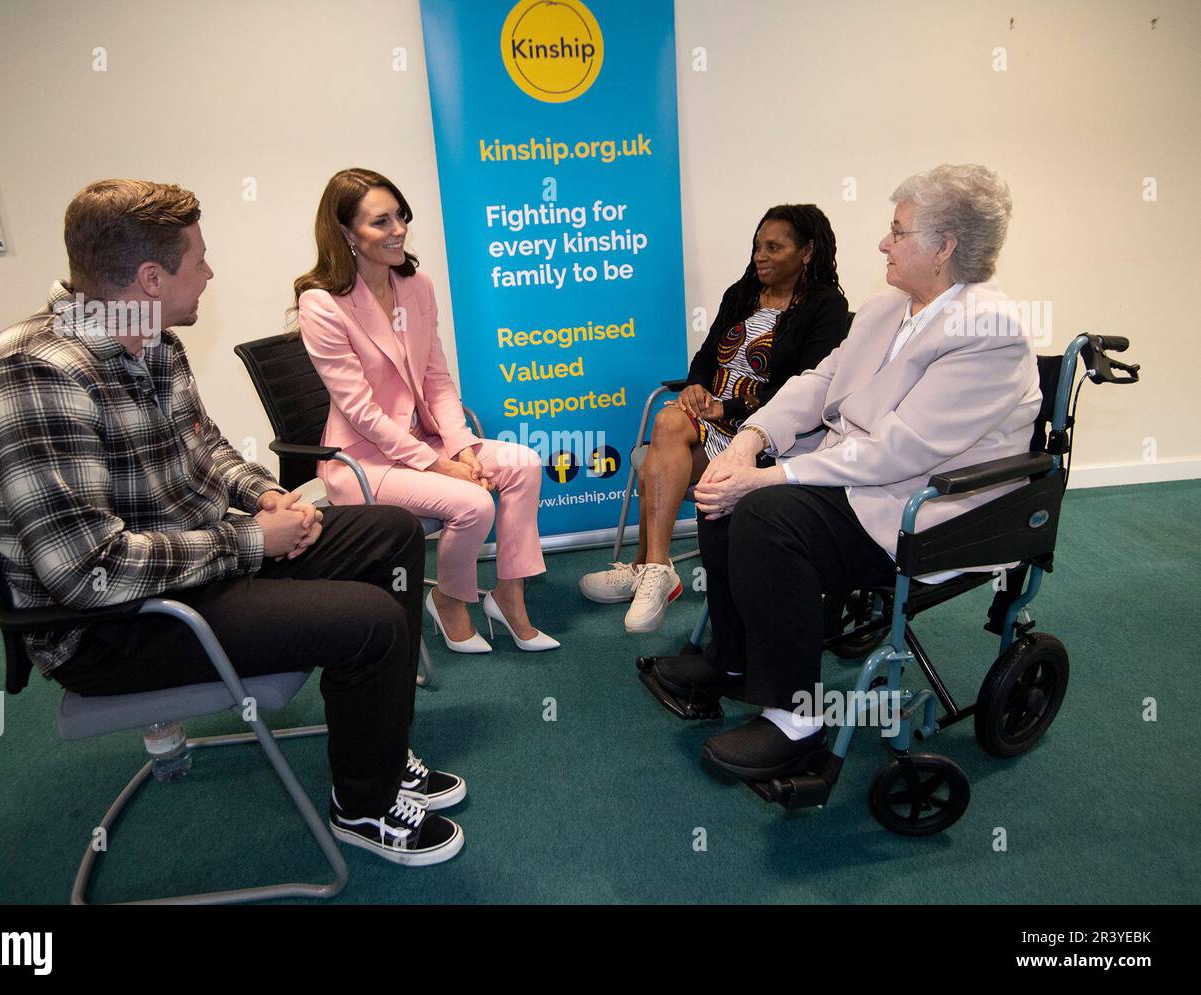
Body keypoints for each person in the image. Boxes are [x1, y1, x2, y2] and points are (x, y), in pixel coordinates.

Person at [0, 180, 466, 866]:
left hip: (194, 563)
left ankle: (380, 746)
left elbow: (210, 448)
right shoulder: (33, 373)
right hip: (116, 624)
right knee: (370, 619)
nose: (210, 272)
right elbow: (87, 571)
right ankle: (364, 806)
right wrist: (251, 540)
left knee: (392, 531)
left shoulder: (151, 340)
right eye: (198, 260)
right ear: (148, 277)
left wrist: (263, 497)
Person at [646, 164, 1041, 781]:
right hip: (857, 480)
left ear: (944, 247)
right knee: (723, 489)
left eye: (897, 230)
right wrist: (749, 442)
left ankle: (797, 719)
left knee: (768, 515)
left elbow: (902, 451)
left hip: (924, 508)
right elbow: (817, 382)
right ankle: (732, 659)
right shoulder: (889, 308)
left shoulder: (989, 334)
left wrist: (773, 478)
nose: (883, 242)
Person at [296, 168, 557, 654]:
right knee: (473, 502)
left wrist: (461, 446)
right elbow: (360, 411)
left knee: (523, 463)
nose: (397, 230)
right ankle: (449, 599)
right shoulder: (322, 304)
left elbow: (436, 377)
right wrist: (441, 465)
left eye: (401, 217)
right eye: (381, 222)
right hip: (362, 459)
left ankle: (509, 595)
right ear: (346, 233)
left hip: (429, 440)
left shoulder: (416, 285)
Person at [579, 205, 850, 633]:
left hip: (767, 438)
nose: (760, 256)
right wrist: (695, 387)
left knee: (658, 454)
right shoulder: (741, 294)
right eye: (758, 246)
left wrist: (730, 408)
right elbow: (704, 359)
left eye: (774, 247)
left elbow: (808, 388)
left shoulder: (826, 307)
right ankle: (655, 570)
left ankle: (647, 568)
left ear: (807, 251)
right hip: (711, 422)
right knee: (669, 420)